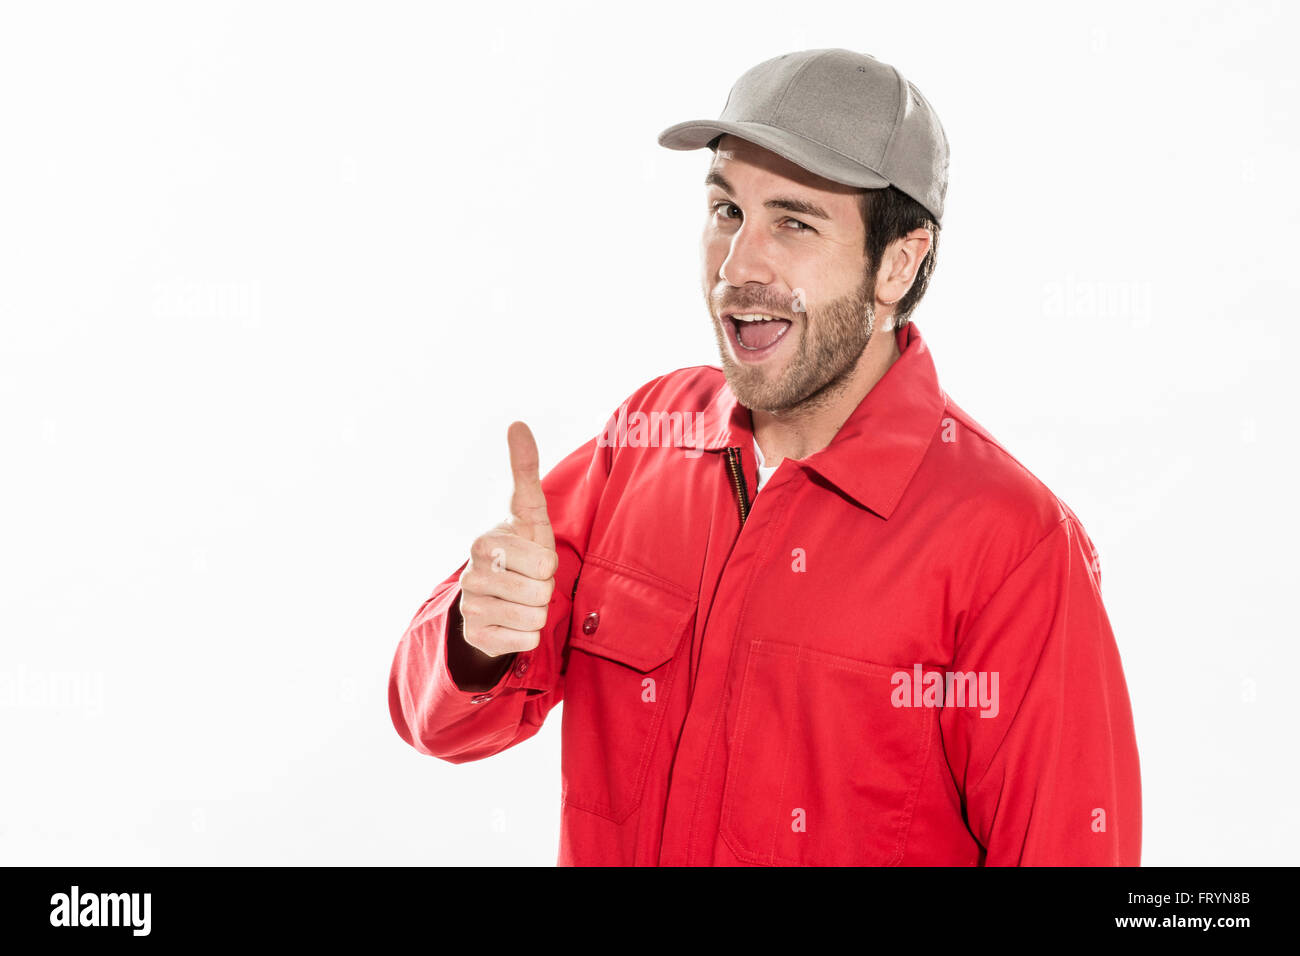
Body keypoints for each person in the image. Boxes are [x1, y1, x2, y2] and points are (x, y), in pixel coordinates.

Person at [387, 48, 1142, 866]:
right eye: (726, 211)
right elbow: (436, 720)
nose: (740, 266)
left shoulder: (1012, 546)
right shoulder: (645, 440)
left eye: (794, 221)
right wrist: (477, 633)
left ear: (899, 262)